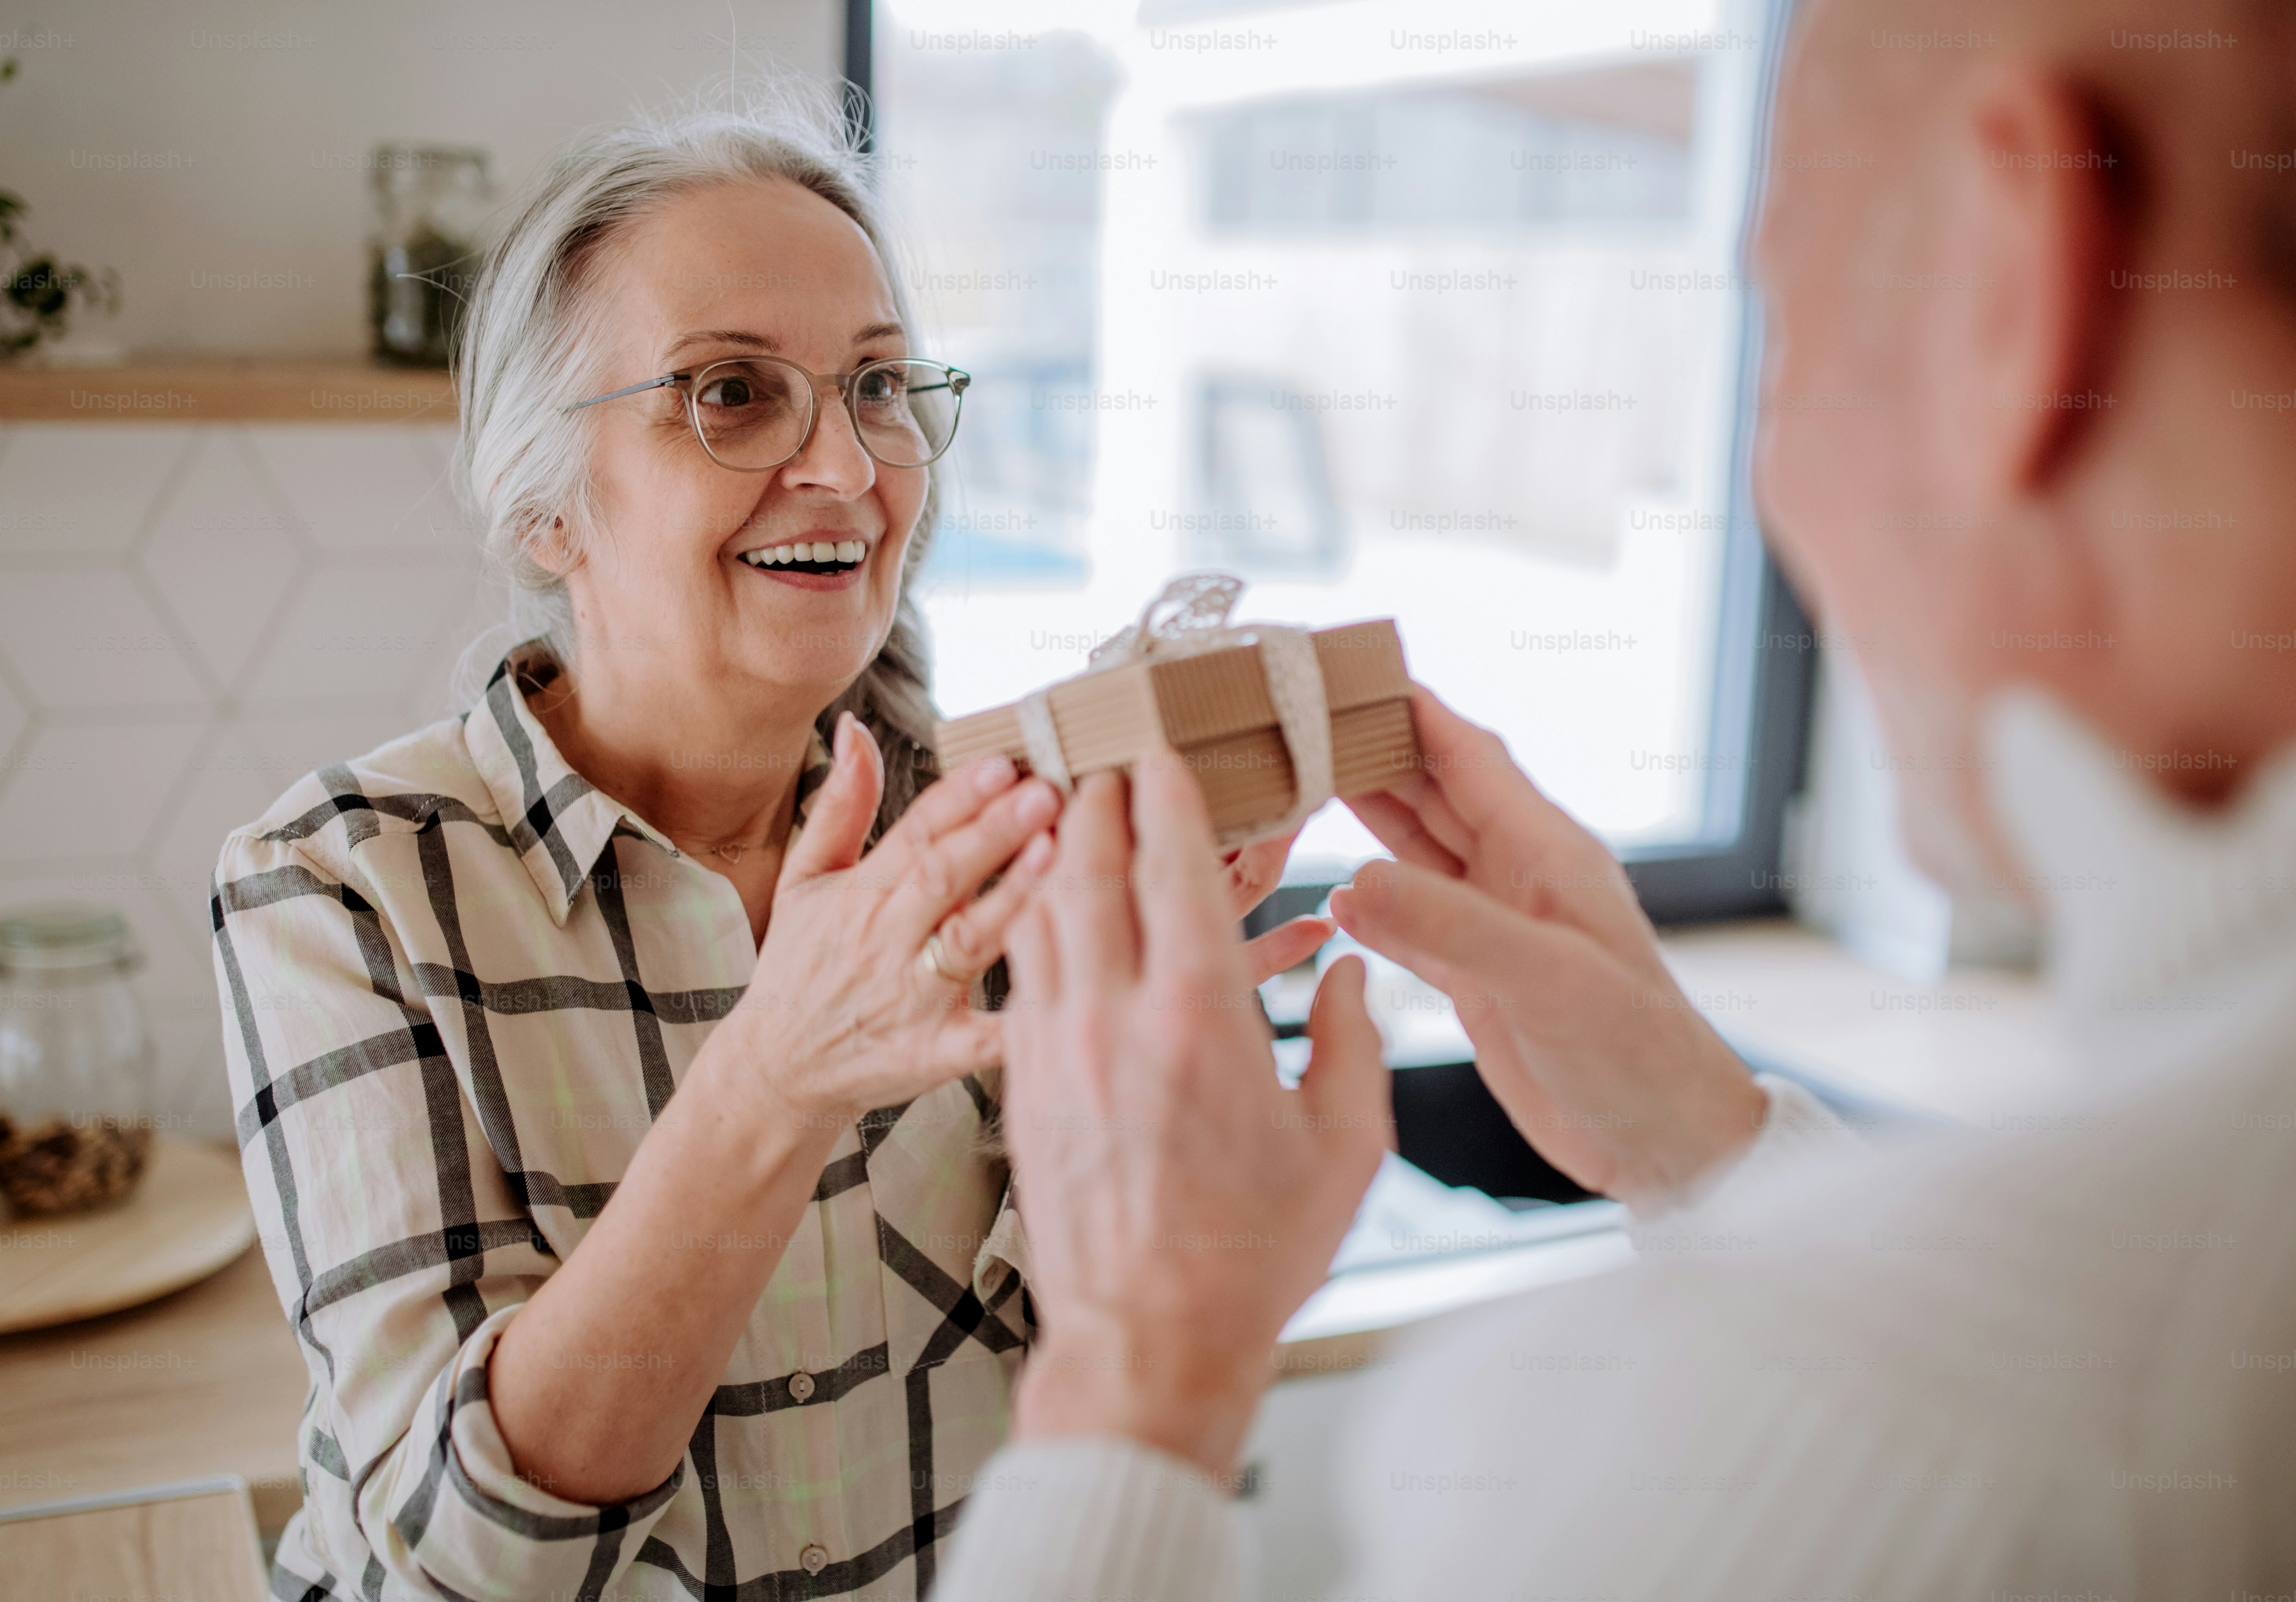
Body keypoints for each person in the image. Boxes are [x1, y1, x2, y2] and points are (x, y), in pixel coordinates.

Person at [929, 0, 2296, 1594]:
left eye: (1781, 324)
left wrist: (1132, 1384)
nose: (1779, 478)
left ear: (2011, 284)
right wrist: (1707, 1141)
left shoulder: (1696, 1467)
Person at [209, 94, 1318, 1601]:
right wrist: (780, 1072)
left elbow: (1112, 1416)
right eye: (730, 392)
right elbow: (450, 1567)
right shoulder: (343, 888)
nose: (849, 470)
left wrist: (1153, 1067)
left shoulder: (1000, 832)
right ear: (547, 510)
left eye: (878, 388)